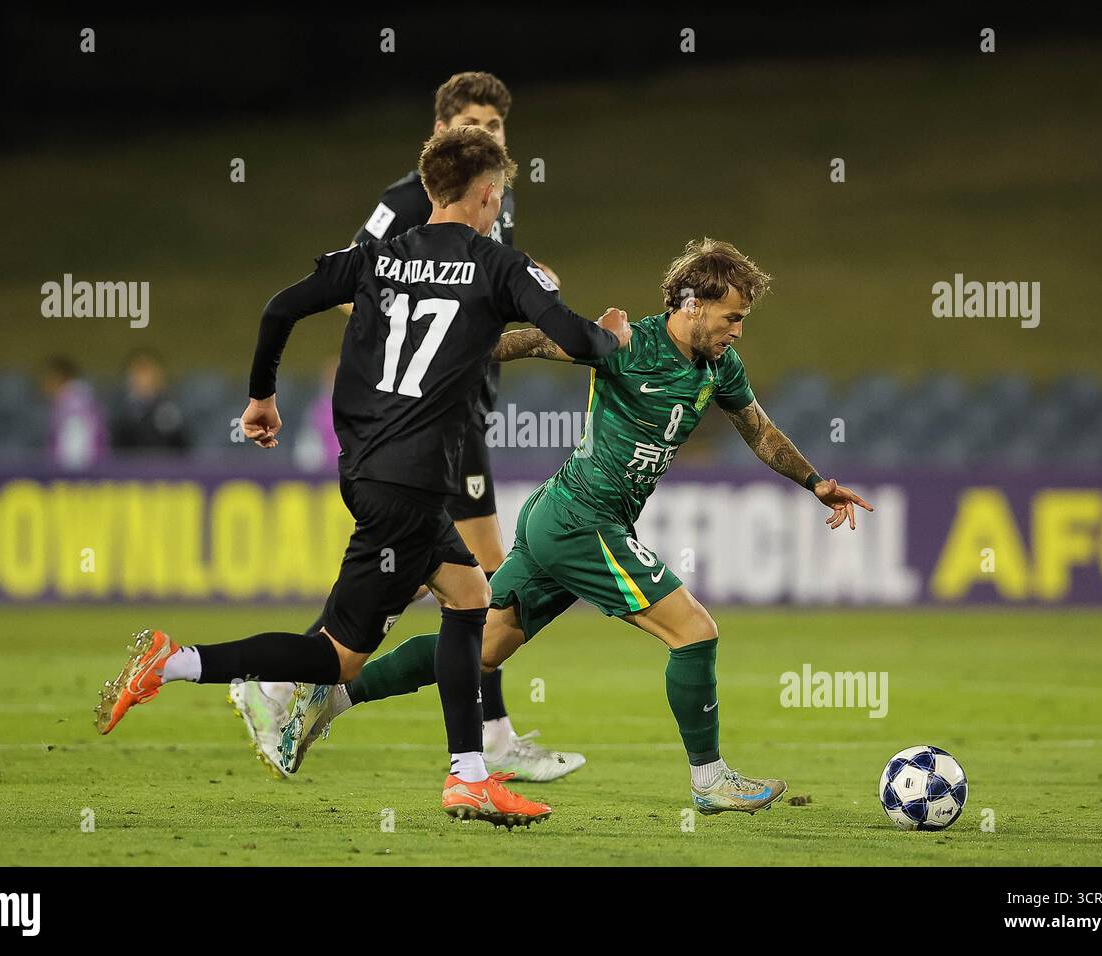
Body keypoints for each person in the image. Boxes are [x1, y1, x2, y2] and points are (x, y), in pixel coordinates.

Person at [94, 127, 628, 827]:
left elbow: (279, 307)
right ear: (489, 194)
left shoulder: (376, 258)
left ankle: (469, 774)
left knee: (470, 598)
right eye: (500, 195)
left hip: (373, 468)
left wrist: (261, 396)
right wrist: (611, 334)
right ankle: (172, 663)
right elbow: (581, 340)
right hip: (408, 487)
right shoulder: (499, 265)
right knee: (336, 659)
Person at [280, 238, 875, 815]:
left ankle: (331, 695)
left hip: (561, 518)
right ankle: (710, 780)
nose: (738, 330)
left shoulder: (720, 366)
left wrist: (816, 482)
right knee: (695, 632)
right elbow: (539, 341)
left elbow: (759, 430)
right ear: (693, 303)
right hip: (581, 520)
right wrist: (462, 352)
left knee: (479, 650)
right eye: (732, 316)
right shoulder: (627, 345)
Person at [233, 70, 583, 783]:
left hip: (459, 417)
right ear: (442, 131)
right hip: (425, 422)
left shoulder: (497, 201)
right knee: (479, 579)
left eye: (497, 127)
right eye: (476, 124)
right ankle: (482, 737)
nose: (489, 137)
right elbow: (358, 292)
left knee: (425, 577)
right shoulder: (407, 203)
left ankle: (290, 688)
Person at [108, 349, 190, 453]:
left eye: (149, 372)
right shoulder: (117, 409)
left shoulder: (174, 408)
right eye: (139, 372)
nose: (144, 379)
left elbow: (184, 449)